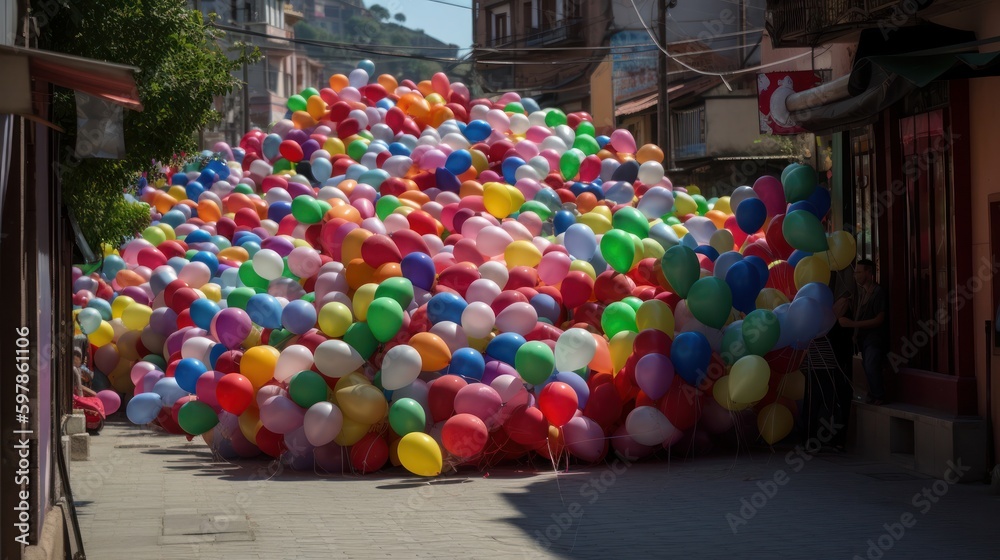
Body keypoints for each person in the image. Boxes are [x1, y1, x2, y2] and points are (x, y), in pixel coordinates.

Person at [839, 259, 888, 405]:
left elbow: (879, 319)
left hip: (874, 338)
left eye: (859, 272)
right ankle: (873, 394)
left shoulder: (877, 292)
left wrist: (853, 324)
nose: (855, 275)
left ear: (869, 272)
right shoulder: (861, 293)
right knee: (867, 365)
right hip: (863, 339)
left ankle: (879, 395)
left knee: (871, 363)